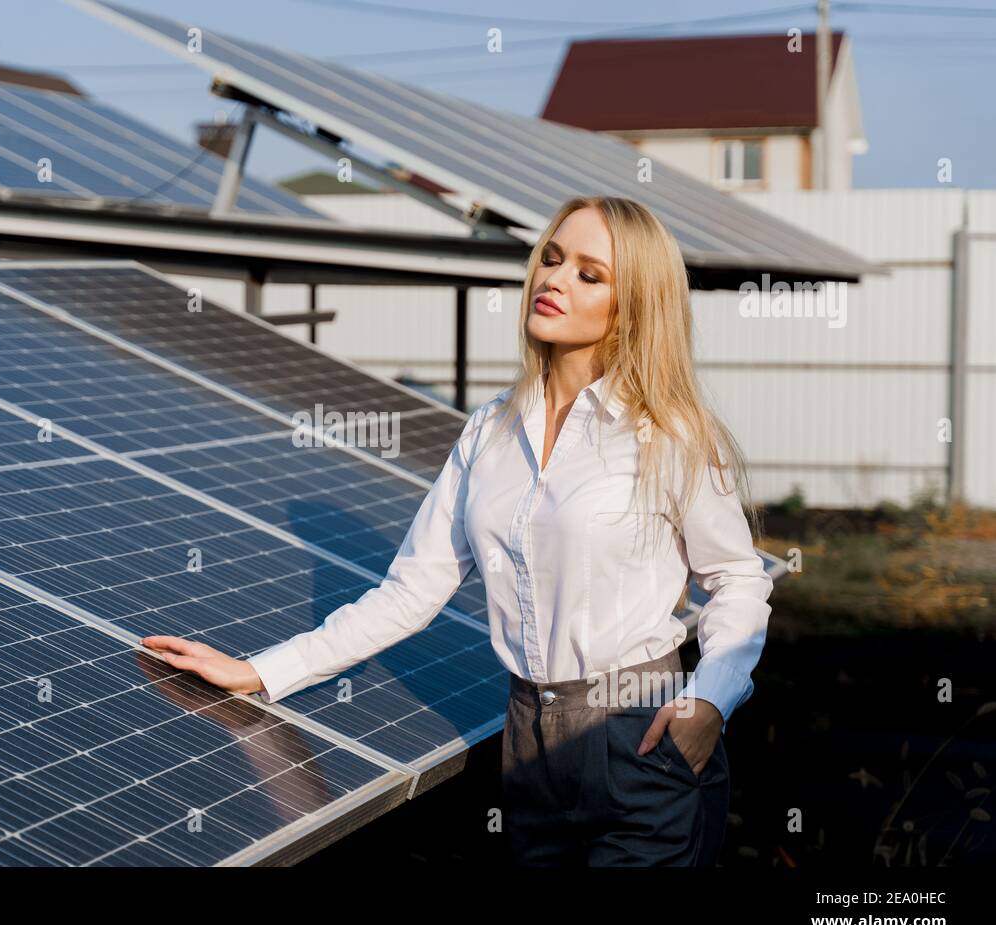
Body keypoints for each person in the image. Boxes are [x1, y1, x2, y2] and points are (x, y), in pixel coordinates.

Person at [142, 195, 775, 867]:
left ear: (636, 306)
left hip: (641, 732)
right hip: (527, 742)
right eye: (552, 259)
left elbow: (736, 579)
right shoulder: (490, 431)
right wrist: (259, 671)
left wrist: (709, 701)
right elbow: (411, 592)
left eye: (590, 274)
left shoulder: (665, 435)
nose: (554, 280)